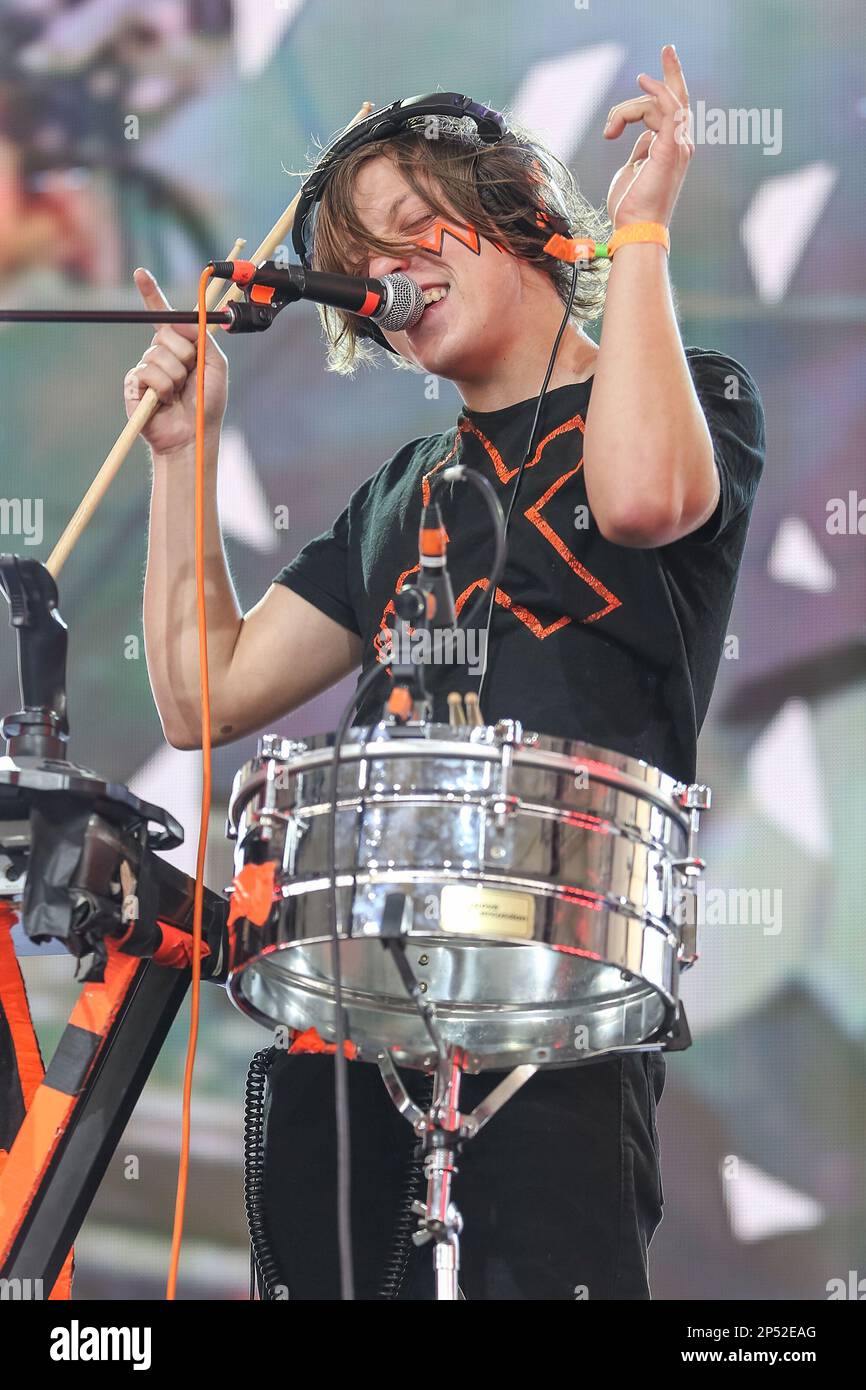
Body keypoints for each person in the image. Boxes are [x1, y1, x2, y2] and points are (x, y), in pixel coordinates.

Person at [127, 48, 765, 1299]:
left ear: (520, 208)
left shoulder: (692, 397)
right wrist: (177, 455)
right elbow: (200, 692)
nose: (390, 279)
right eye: (361, 269)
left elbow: (635, 498)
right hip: (359, 988)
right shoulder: (398, 493)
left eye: (420, 230)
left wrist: (632, 238)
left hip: (553, 1001)